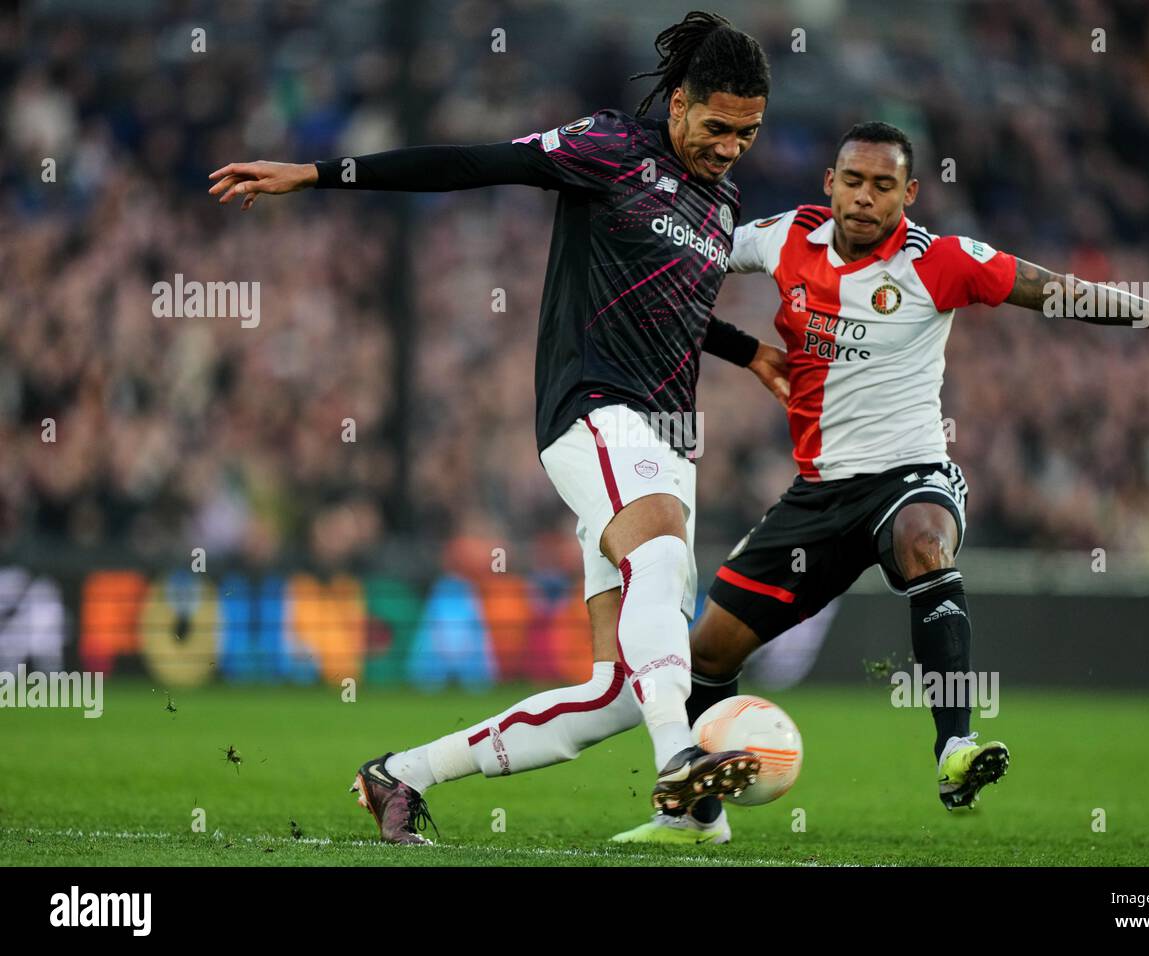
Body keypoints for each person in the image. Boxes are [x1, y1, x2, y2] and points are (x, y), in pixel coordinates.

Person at [209, 11, 786, 845]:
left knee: (615, 692)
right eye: (719, 126)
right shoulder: (609, 148)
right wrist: (318, 174)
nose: (733, 146)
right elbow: (473, 162)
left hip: (666, 439)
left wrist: (749, 353)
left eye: (750, 132)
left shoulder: (720, 197)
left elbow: (674, 301)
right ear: (680, 104)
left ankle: (402, 775)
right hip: (592, 410)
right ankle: (683, 771)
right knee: (658, 552)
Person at [612, 120, 1149, 844]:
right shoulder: (785, 236)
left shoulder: (940, 261)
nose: (864, 197)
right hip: (818, 492)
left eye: (883, 186)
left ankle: (954, 749)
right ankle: (699, 820)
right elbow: (677, 274)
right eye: (852, 180)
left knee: (924, 543)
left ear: (908, 194)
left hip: (910, 472)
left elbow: (1058, 292)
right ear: (830, 183)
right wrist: (744, 347)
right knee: (708, 654)